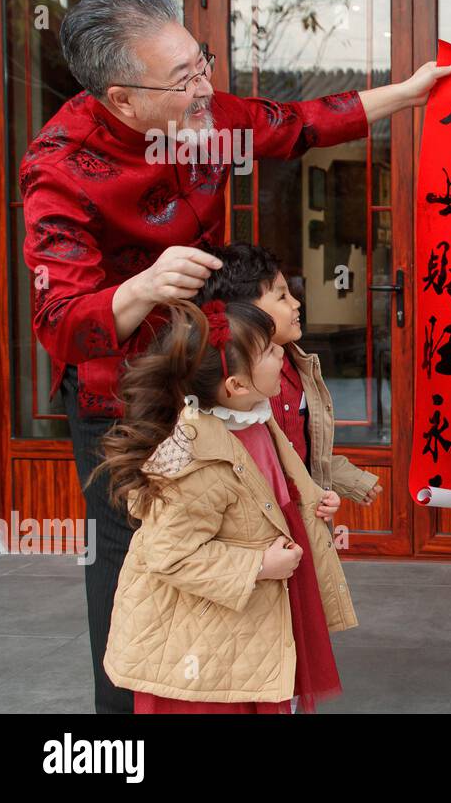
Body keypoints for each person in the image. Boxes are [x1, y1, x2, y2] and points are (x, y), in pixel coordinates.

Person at [19, 0, 449, 712]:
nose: (203, 88)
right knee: (140, 563)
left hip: (204, 372)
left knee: (236, 539)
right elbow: (60, 320)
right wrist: (145, 287)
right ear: (122, 99)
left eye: (203, 63)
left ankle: (235, 694)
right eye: (182, 78)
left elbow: (300, 124)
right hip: (121, 398)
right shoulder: (58, 167)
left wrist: (407, 94)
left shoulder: (207, 113)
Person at [96, 300, 355, 713]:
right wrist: (257, 566)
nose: (281, 354)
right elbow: (172, 554)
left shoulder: (255, 416)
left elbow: (271, 488)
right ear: (235, 385)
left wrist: (312, 501)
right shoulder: (192, 455)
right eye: (269, 350)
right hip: (199, 648)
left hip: (244, 624)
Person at [196, 242, 384, 507]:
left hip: (304, 515)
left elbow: (304, 453)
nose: (297, 303)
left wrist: (352, 481)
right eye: (282, 297)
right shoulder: (234, 387)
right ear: (245, 312)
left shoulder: (300, 365)